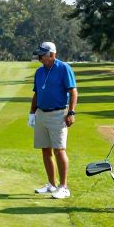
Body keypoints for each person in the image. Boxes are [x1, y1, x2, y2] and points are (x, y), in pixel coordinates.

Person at [28, 41, 78, 199]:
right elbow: (37, 93)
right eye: (39, 55)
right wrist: (32, 112)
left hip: (58, 114)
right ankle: (51, 184)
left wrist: (71, 112)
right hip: (41, 113)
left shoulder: (64, 68)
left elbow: (73, 91)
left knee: (59, 149)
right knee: (45, 149)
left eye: (42, 55)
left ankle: (64, 187)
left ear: (52, 54)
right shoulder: (39, 72)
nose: (39, 58)